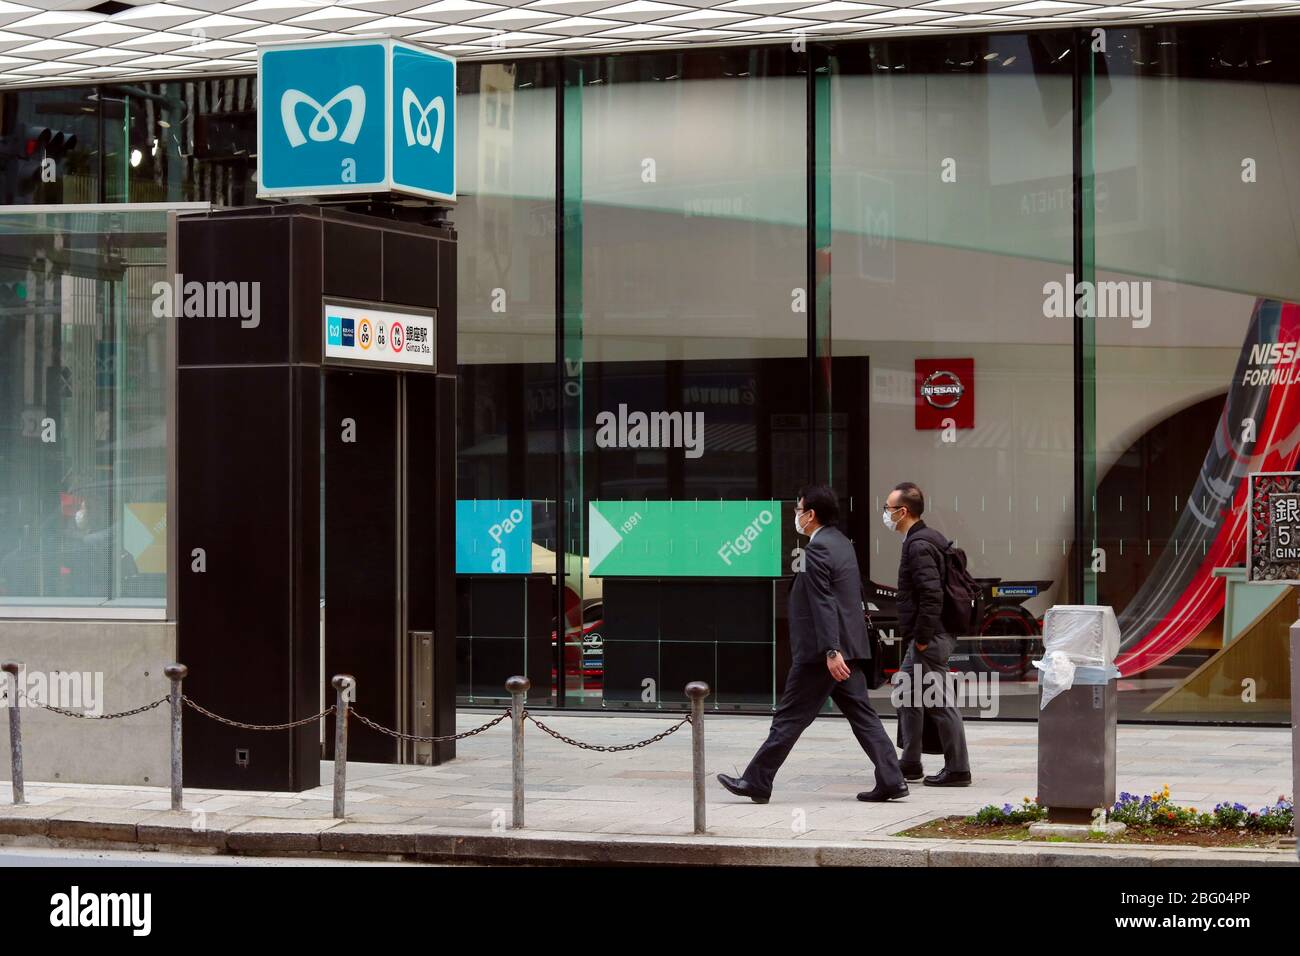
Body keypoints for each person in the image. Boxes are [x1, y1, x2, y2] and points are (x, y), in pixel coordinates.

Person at [717, 485, 908, 804]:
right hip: (846, 647)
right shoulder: (842, 544)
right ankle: (892, 779)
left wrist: (831, 651)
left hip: (823, 655)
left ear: (811, 514)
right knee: (863, 715)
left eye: (798, 509)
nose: (796, 515)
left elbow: (824, 602)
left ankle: (756, 780)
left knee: (789, 717)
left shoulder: (817, 550)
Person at [884, 481, 971, 786]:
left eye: (888, 508)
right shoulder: (925, 539)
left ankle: (958, 769)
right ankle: (910, 762)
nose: (885, 514)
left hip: (931, 637)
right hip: (928, 636)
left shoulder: (920, 545)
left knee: (938, 700)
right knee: (907, 695)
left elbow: (931, 596)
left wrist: (921, 637)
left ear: (903, 511)